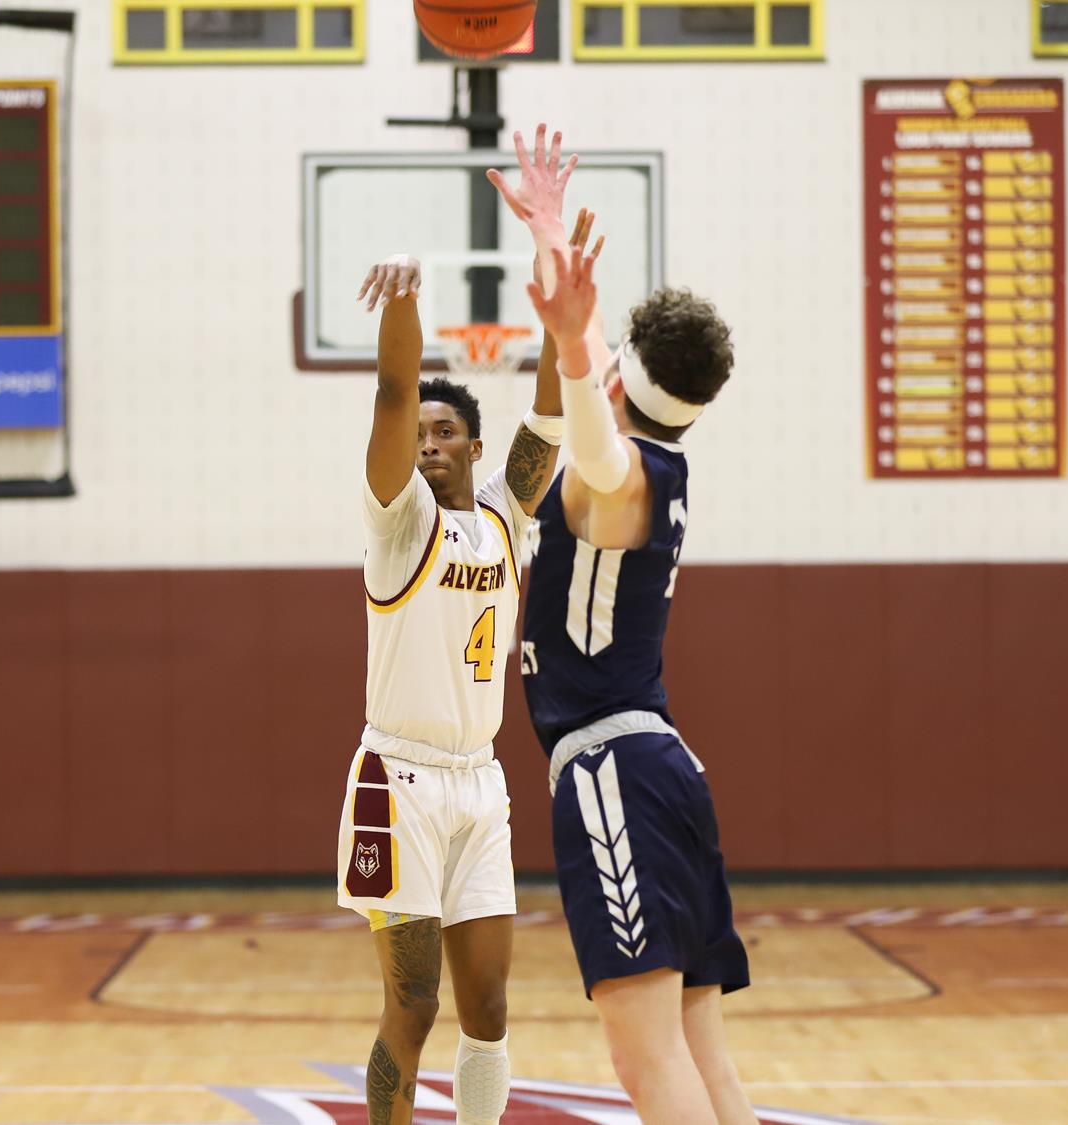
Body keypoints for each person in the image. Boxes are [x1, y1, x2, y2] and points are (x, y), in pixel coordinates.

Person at [335, 129, 594, 1125]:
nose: (430, 443)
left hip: (478, 782)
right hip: (394, 779)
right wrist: (404, 298)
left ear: (475, 449)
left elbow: (553, 400)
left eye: (448, 433)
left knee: (485, 1008)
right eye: (422, 436)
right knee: (412, 1003)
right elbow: (395, 390)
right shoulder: (395, 520)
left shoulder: (504, 514)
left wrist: (545, 239)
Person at [490, 130, 749, 1124]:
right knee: (701, 1059)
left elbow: (596, 460)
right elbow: (592, 412)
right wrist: (552, 240)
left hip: (612, 774)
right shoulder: (658, 461)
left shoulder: (625, 478)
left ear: (618, 378)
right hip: (661, 768)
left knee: (648, 1065)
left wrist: (568, 336)